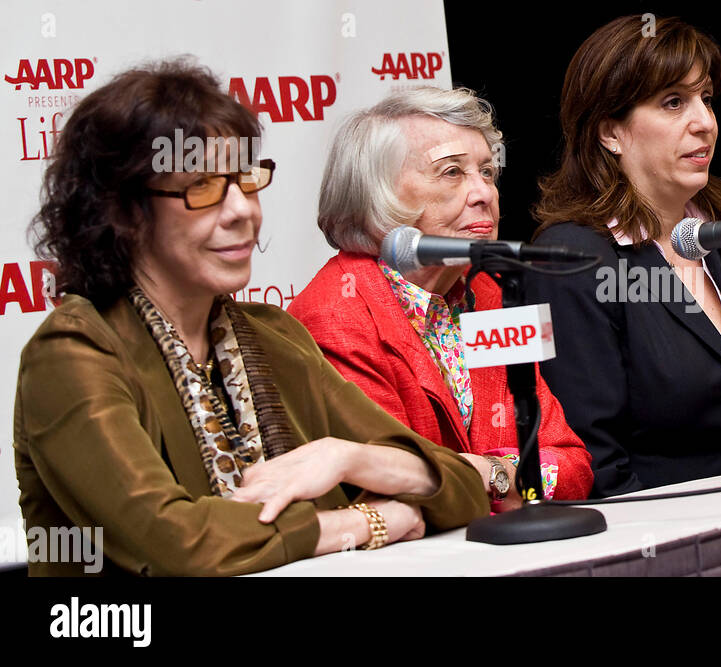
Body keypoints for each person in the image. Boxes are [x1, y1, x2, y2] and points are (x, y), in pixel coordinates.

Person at [15, 60, 487, 576]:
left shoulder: (273, 336)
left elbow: (462, 488)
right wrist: (361, 524)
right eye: (203, 186)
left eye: (244, 177)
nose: (243, 210)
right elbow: (178, 545)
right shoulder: (72, 352)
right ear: (125, 211)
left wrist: (350, 458)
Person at [289, 88, 592, 509]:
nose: (483, 193)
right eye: (452, 172)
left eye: (487, 172)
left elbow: (573, 465)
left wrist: (490, 474)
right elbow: (401, 488)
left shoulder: (491, 291)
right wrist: (509, 477)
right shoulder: (334, 315)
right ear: (378, 194)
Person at [527, 15, 721, 497]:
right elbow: (597, 463)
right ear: (611, 133)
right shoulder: (573, 260)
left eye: (706, 99)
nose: (705, 123)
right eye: (673, 102)